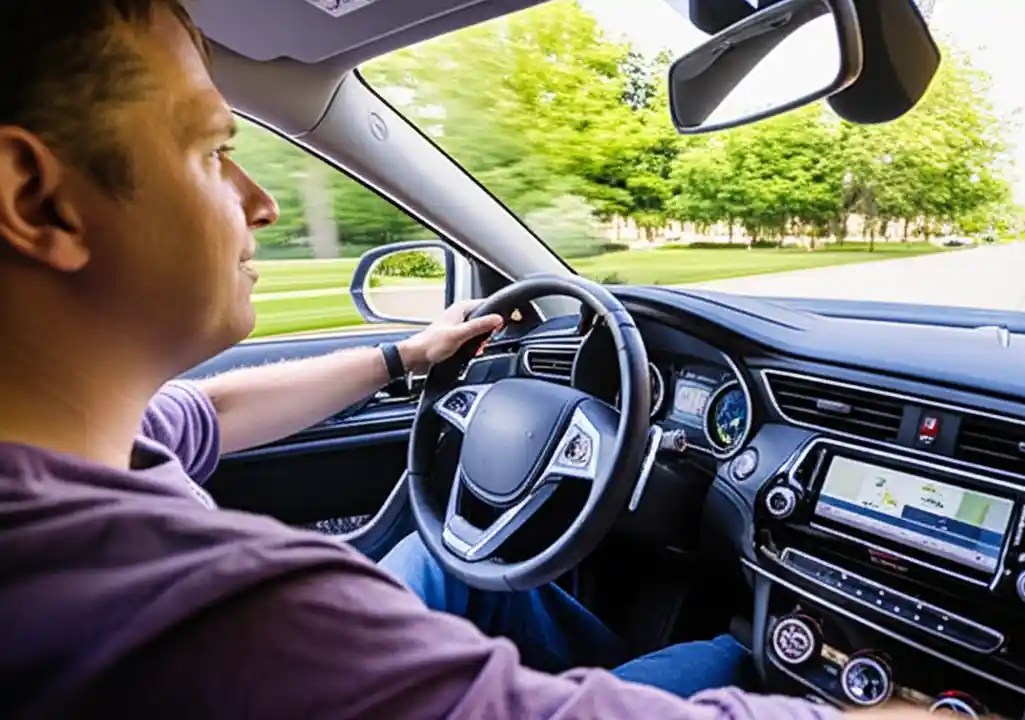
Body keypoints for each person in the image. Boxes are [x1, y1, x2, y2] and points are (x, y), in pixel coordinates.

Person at [0, 1, 856, 717]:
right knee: (739, 662)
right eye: (213, 152)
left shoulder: (87, 446)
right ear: (36, 198)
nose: (258, 203)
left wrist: (405, 356)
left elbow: (217, 414)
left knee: (480, 580)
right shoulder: (191, 609)